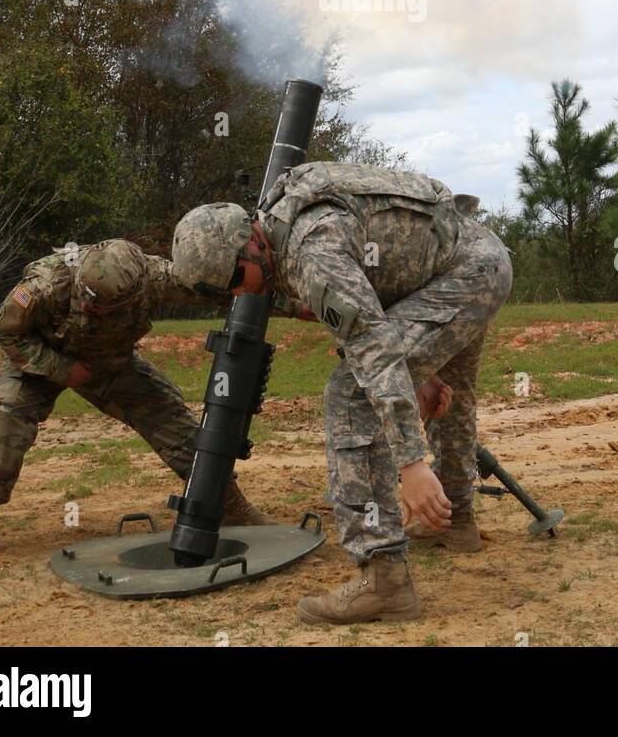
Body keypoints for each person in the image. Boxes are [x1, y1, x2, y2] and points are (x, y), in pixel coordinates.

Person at [171, 161, 513, 624]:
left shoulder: (312, 254)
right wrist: (422, 366)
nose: (239, 292)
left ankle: (384, 576)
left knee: (351, 394)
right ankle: (456, 523)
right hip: (469, 261)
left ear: (250, 244)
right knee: (453, 394)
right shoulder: (280, 225)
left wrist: (411, 465)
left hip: (464, 274)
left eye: (235, 279)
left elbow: (374, 349)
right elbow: (377, 295)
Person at [0, 238, 272, 561]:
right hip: (40, 361)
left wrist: (291, 303)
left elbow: (230, 287)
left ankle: (231, 505)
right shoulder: (45, 284)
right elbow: (6, 331)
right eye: (85, 297)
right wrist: (62, 369)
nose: (87, 306)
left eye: (98, 304)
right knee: (5, 415)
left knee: (171, 418)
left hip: (109, 363)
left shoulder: (156, 279)